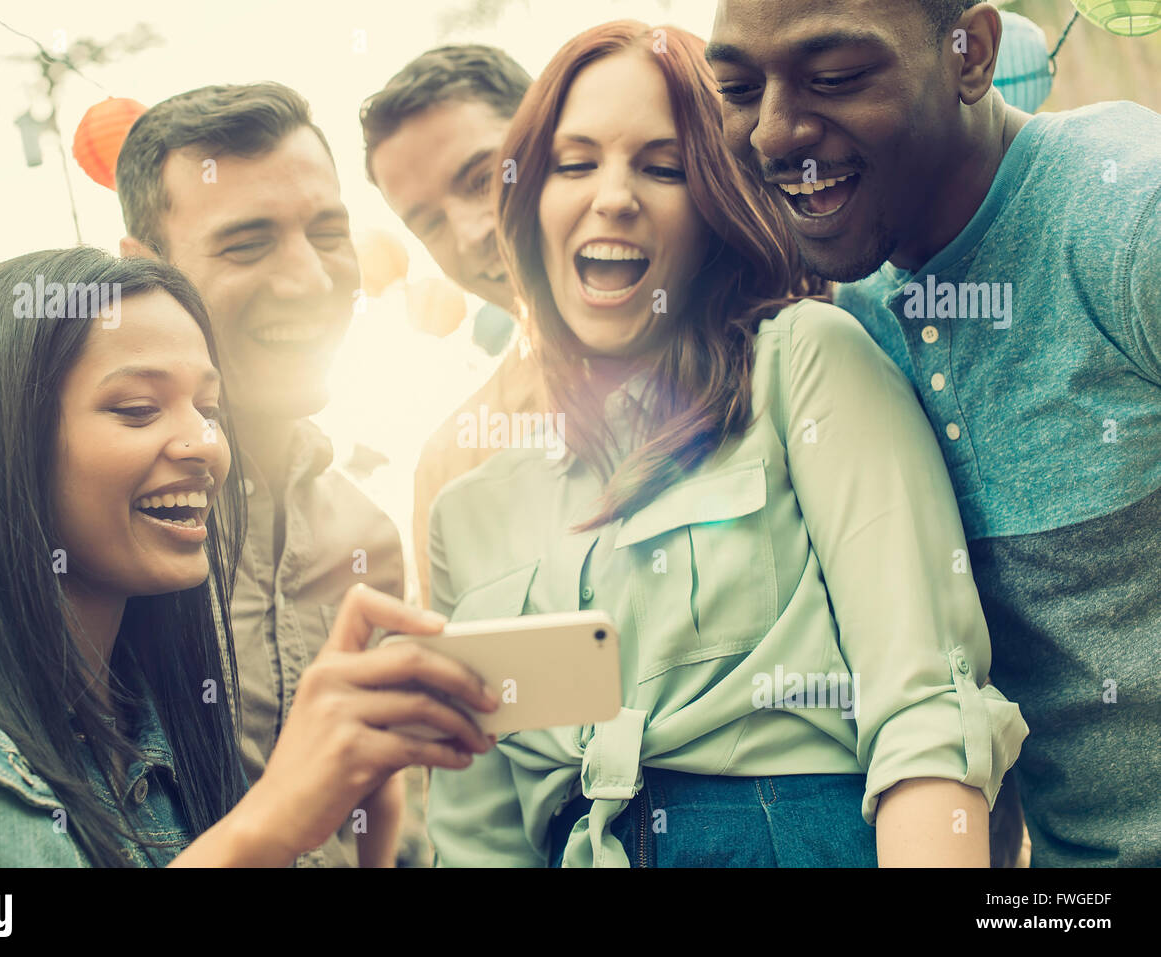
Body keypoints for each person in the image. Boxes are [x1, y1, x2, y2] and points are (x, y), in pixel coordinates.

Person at [424, 20, 1026, 868]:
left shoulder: (803, 361)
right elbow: (478, 838)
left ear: (714, 205)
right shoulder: (468, 512)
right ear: (531, 200)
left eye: (663, 167)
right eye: (575, 162)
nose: (614, 196)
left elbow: (929, 712)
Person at [0, 83, 411, 867]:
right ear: (8, 441)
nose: (198, 443)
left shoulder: (153, 704)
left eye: (207, 408)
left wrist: (373, 835)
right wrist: (274, 819)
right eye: (135, 409)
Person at [708, 0, 1161, 867]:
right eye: (735, 86)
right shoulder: (857, 324)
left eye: (835, 77)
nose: (771, 132)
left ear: (972, 56)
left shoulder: (1128, 215)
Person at [361, 46, 548, 607]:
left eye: (481, 179)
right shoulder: (450, 466)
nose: (467, 234)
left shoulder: (770, 350)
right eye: (429, 223)